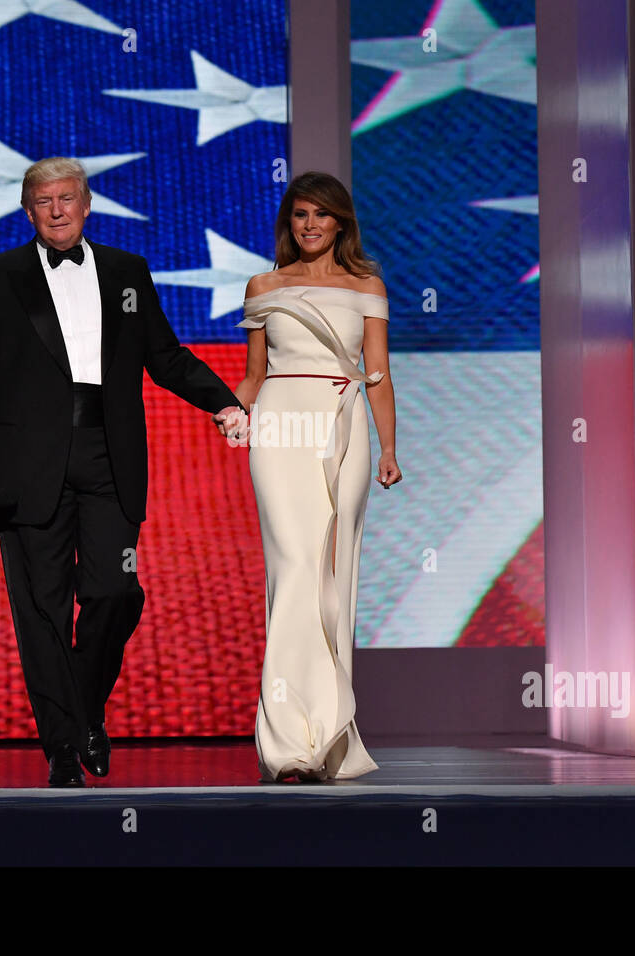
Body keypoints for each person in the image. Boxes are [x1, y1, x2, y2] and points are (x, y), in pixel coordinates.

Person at [0, 157, 246, 787]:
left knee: (115, 592)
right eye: (43, 200)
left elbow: (164, 356)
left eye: (67, 198)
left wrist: (223, 401)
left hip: (110, 455)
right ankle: (63, 745)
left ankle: (85, 710)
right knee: (43, 612)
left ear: (87, 205)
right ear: (27, 211)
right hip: (26, 467)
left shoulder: (126, 272)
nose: (56, 210)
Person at [226, 171, 402, 782]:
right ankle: (285, 740)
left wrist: (389, 449)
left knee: (332, 570)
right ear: (289, 221)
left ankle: (326, 734)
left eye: (321, 216)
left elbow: (376, 374)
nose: (309, 225)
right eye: (300, 214)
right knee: (294, 567)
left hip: (342, 426)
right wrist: (231, 411)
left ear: (340, 224)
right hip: (278, 427)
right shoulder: (263, 285)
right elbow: (253, 375)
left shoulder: (367, 287)